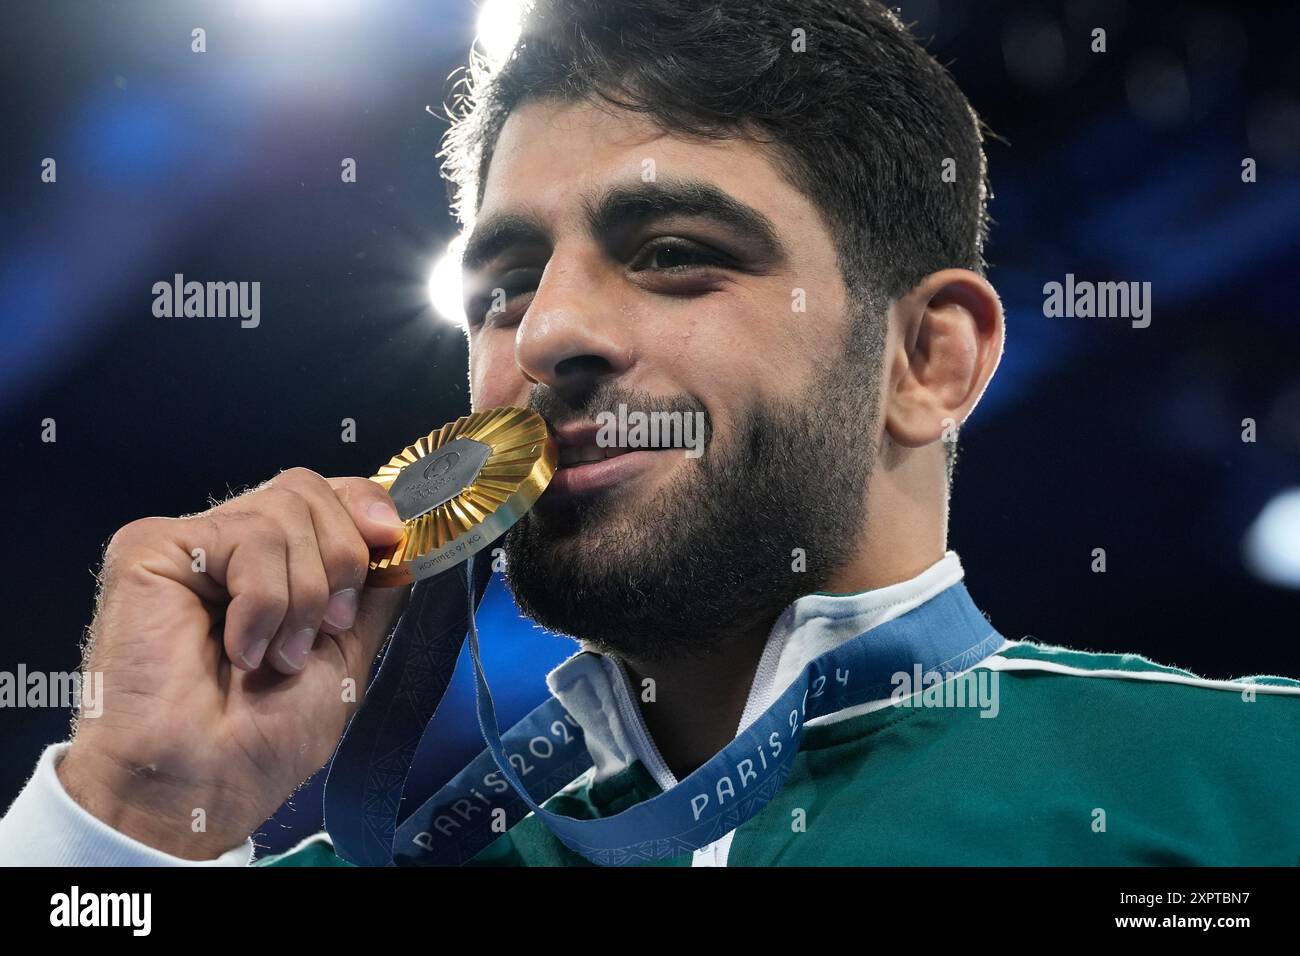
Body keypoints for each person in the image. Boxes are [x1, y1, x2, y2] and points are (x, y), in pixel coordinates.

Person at [2, 0, 1297, 868]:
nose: (547, 331)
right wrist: (136, 807)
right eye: (503, 286)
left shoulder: (1246, 783)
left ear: (927, 358)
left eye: (675, 253)